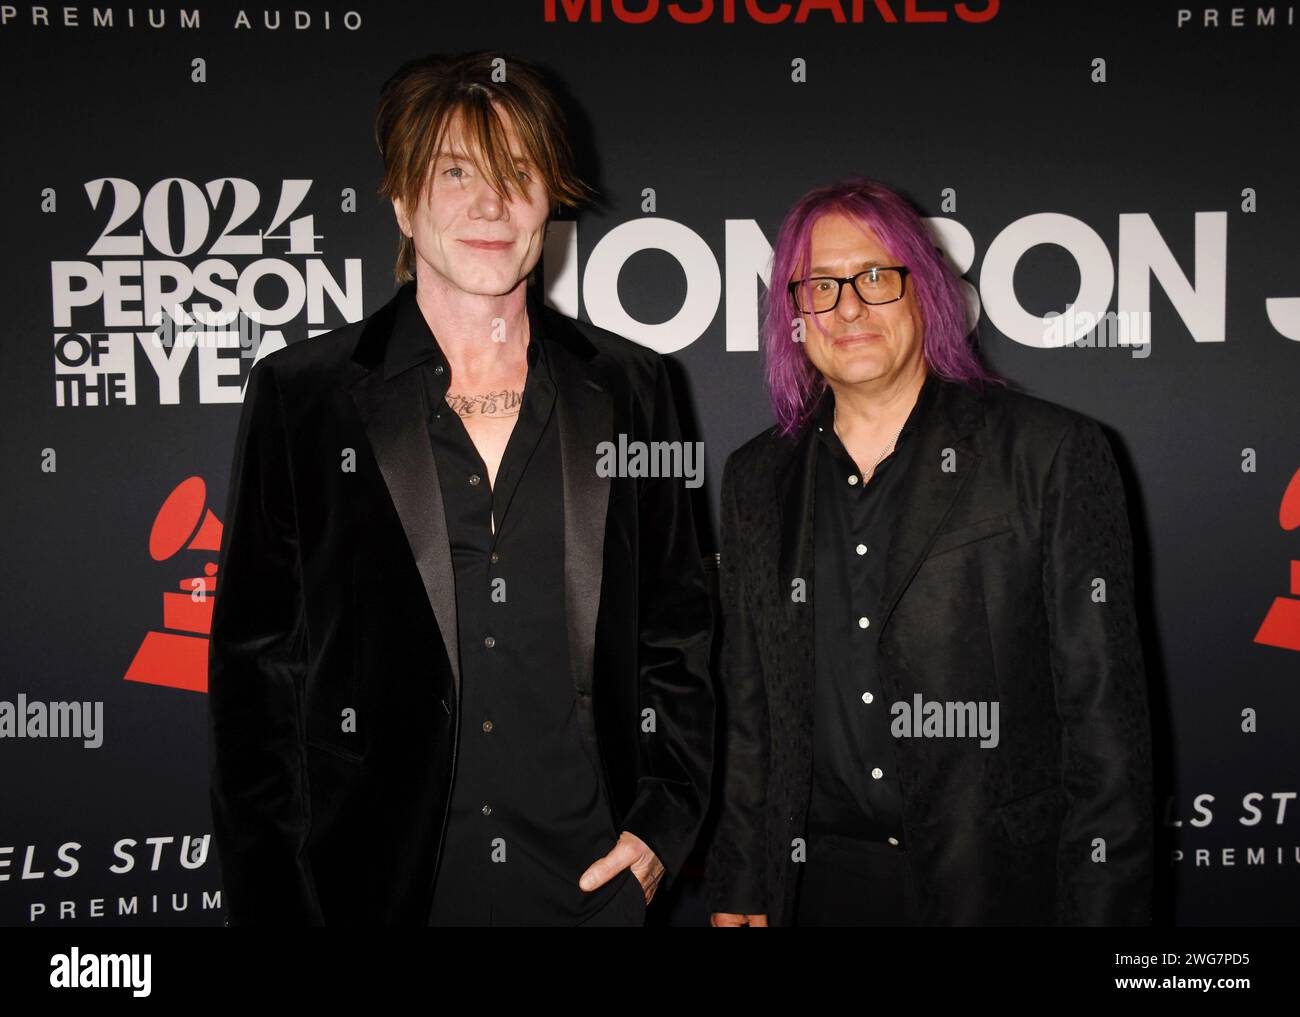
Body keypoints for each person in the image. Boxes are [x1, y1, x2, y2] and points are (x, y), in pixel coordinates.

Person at [208, 51, 714, 926]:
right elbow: (259, 679)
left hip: (593, 887)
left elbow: (681, 625)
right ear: (403, 202)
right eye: (454, 171)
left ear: (549, 198)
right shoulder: (305, 394)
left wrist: (664, 823)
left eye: (518, 171)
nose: (491, 203)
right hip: (379, 892)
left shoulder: (634, 388)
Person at [705, 178, 1153, 926]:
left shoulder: (1050, 453)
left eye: (876, 277)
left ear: (927, 291)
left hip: (995, 885)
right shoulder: (756, 478)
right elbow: (753, 713)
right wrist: (743, 881)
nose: (848, 306)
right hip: (816, 890)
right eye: (821, 285)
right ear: (794, 315)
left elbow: (1107, 732)